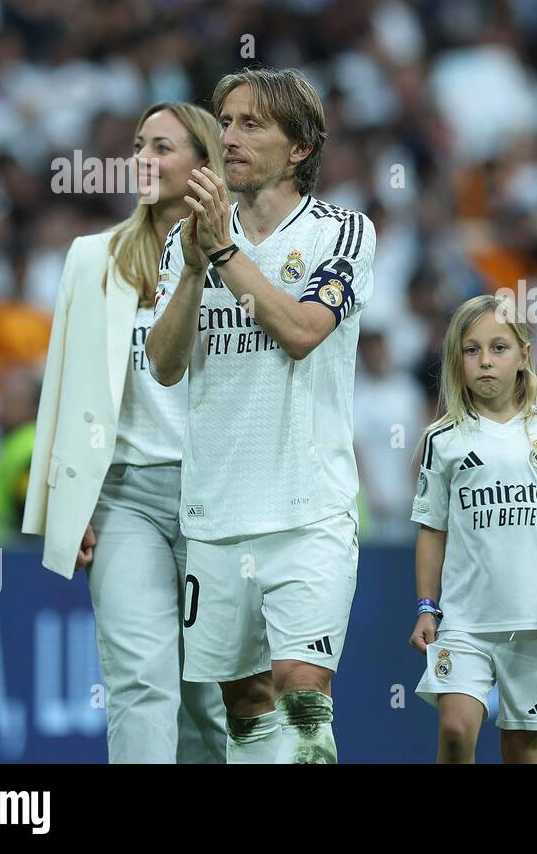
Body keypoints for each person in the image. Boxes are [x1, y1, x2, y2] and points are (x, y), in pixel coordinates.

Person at [146, 67, 376, 764]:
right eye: (224, 121)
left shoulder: (345, 232)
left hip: (309, 511)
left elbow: (303, 332)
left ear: (301, 146)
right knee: (243, 706)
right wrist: (191, 269)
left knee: (303, 692)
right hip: (216, 517)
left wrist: (223, 252)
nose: (229, 136)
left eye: (251, 123)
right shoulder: (186, 241)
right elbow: (164, 363)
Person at [22, 101, 228, 763]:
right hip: (122, 499)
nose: (143, 158)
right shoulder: (93, 258)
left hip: (218, 502)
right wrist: (63, 496)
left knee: (215, 700)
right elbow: (64, 385)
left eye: (162, 147)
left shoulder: (242, 260)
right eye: (139, 144)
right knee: (141, 683)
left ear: (204, 163)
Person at [408, 294, 537, 763]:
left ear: (523, 355)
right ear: (457, 360)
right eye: (471, 350)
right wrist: (427, 606)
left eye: (498, 348)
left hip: (535, 624)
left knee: (522, 750)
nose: (485, 361)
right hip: (463, 623)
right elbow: (432, 531)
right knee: (454, 729)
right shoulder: (443, 439)